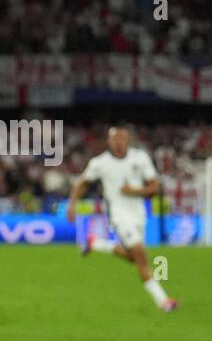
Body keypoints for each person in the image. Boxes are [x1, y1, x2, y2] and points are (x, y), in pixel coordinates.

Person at [67, 127, 177, 312]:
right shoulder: (100, 163)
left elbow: (154, 187)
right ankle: (163, 301)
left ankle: (98, 244)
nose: (118, 143)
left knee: (135, 258)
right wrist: (72, 205)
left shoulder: (140, 158)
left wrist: (134, 191)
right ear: (109, 141)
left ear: (128, 140)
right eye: (114, 139)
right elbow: (83, 183)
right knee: (141, 255)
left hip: (139, 214)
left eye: (122, 139)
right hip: (118, 215)